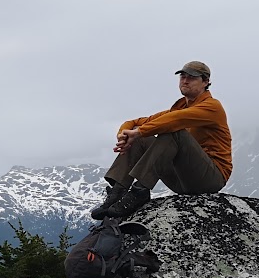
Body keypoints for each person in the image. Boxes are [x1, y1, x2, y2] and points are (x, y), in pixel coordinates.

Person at [89, 60, 232, 220]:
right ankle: (117, 193)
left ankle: (140, 191)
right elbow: (136, 122)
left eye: (191, 77)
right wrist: (125, 134)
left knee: (174, 132)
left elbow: (174, 121)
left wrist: (139, 132)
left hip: (211, 179)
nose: (185, 81)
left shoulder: (212, 107)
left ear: (205, 82)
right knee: (140, 137)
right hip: (181, 180)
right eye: (182, 76)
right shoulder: (180, 107)